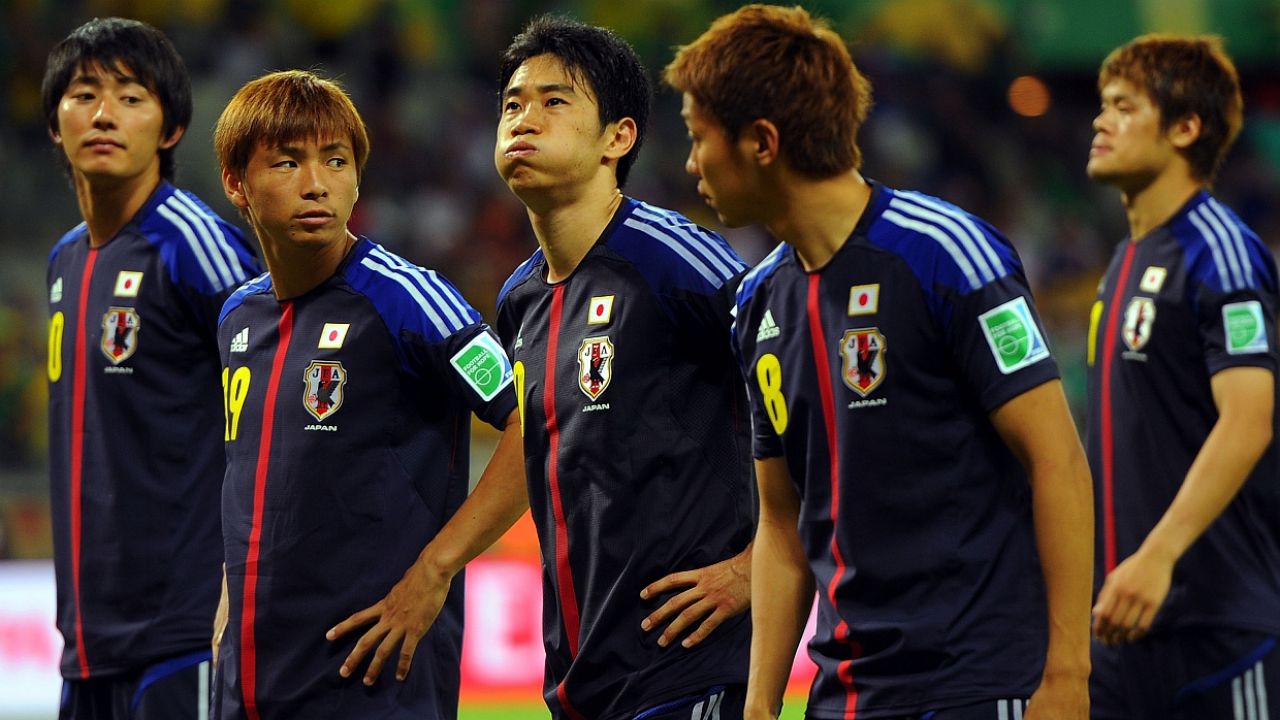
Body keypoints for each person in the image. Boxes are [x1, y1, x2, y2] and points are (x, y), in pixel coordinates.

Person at [665, 6, 1095, 719]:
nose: (689, 163)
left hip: (976, 687)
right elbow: (781, 524)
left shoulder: (947, 254)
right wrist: (760, 704)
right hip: (847, 698)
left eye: (697, 136)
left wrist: (1069, 674)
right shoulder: (758, 307)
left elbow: (1058, 462)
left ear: (762, 142)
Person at [211, 70, 526, 719]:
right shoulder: (237, 318)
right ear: (237, 183)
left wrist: (435, 571)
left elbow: (536, 425)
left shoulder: (407, 299)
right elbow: (250, 483)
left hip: (369, 676)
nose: (317, 183)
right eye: (288, 162)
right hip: (247, 678)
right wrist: (224, 610)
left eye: (336, 160)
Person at [493, 16, 755, 720]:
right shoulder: (519, 301)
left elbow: (812, 392)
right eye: (513, 103)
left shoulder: (675, 263)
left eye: (555, 102)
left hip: (683, 669)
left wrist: (755, 568)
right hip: (580, 683)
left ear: (619, 137)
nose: (524, 118)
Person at [42, 17, 260, 719]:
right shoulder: (65, 259)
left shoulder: (196, 245)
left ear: (170, 130)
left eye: (131, 96)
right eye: (83, 94)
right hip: (87, 642)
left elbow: (275, 394)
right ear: (54, 123)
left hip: (186, 632)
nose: (104, 114)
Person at [1083, 34, 1280, 719]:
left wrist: (1157, 557)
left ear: (1185, 128)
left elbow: (1249, 420)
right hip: (1121, 625)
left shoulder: (1220, 251)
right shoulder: (1124, 261)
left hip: (1215, 629)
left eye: (1123, 106)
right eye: (1102, 105)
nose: (1100, 121)